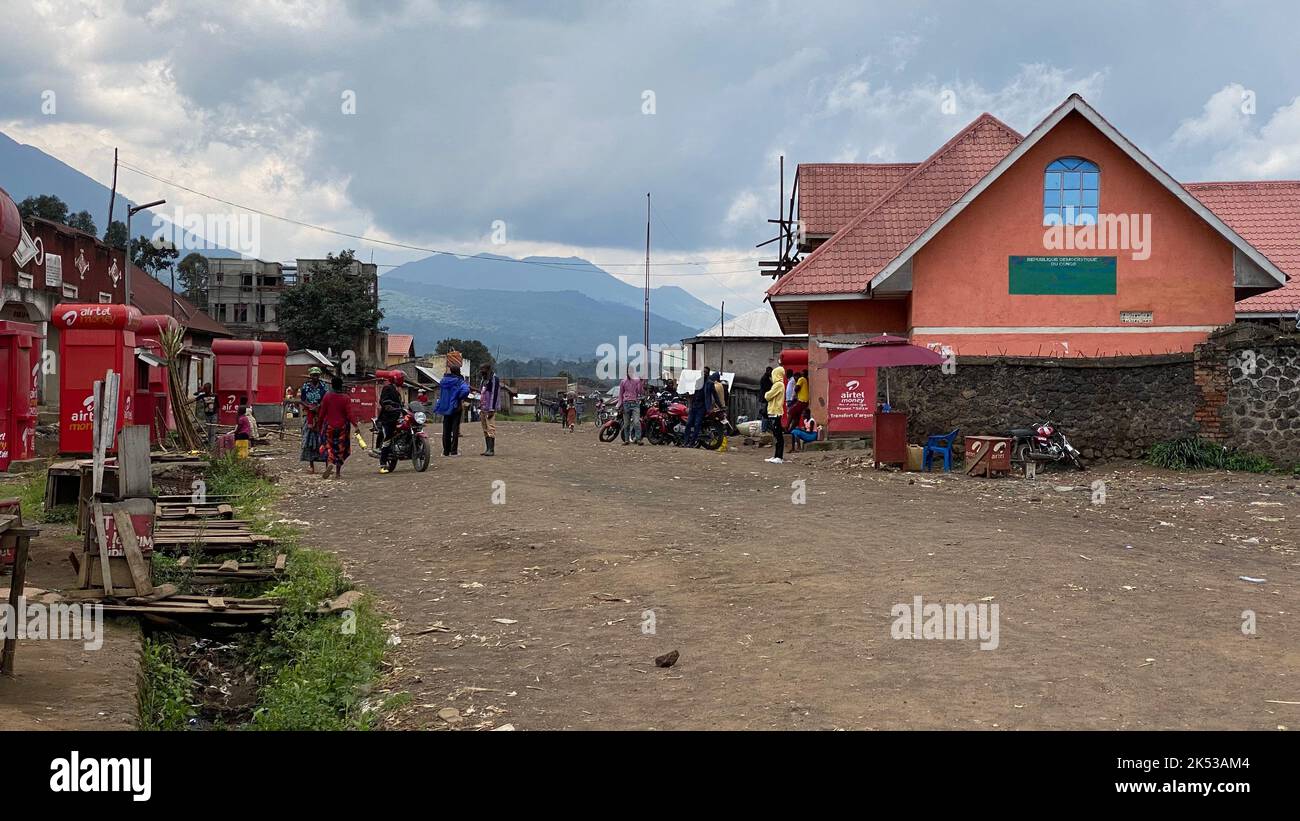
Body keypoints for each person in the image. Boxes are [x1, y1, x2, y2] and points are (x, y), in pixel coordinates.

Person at [319, 376, 354, 479]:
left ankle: (329, 463)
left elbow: (322, 413)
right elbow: (349, 414)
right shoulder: (346, 398)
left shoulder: (327, 396)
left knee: (328, 445)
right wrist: (355, 425)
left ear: (332, 385)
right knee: (340, 448)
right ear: (341, 385)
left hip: (329, 426)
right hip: (342, 427)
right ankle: (338, 473)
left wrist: (320, 425)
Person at [435, 359, 471, 456]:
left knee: (446, 429)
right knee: (455, 429)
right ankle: (453, 451)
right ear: (458, 372)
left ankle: (446, 451)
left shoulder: (443, 380)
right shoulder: (459, 381)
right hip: (456, 407)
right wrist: (458, 397)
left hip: (445, 407)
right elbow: (466, 391)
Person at [298, 367, 328, 473]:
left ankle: (327, 465)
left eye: (317, 375)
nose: (315, 377)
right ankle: (311, 465)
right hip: (309, 415)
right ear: (310, 376)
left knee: (324, 438)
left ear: (319, 376)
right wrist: (310, 406)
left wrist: (319, 407)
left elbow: (326, 400)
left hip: (321, 415)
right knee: (309, 439)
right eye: (313, 375)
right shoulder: (305, 387)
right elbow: (302, 400)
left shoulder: (324, 387)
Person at [376, 375, 403, 473]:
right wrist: (388, 405)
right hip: (387, 418)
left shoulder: (397, 389)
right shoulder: (387, 388)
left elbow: (399, 403)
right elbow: (383, 401)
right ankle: (382, 463)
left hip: (396, 416)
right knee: (387, 439)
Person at [684, 366, 711, 448]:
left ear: (708, 373)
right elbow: (694, 393)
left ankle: (692, 443)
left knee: (697, 424)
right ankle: (685, 442)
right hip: (694, 406)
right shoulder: (698, 381)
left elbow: (713, 395)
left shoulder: (709, 383)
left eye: (706, 372)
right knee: (688, 424)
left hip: (702, 407)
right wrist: (690, 404)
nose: (705, 373)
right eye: (704, 372)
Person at [764, 366, 786, 464]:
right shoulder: (778, 385)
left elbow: (768, 396)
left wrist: (766, 394)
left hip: (776, 412)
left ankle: (779, 457)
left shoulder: (778, 385)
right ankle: (776, 456)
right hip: (774, 412)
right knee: (776, 435)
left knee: (778, 436)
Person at [618, 366, 644, 445]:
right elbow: (620, 394)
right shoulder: (623, 381)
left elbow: (640, 392)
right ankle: (626, 440)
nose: (630, 373)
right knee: (626, 423)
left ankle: (638, 439)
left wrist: (641, 382)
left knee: (636, 422)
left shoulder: (637, 381)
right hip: (626, 403)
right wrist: (620, 404)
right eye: (629, 371)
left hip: (635, 403)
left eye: (631, 371)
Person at [478, 363, 500, 456]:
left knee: (491, 428)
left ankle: (491, 450)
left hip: (490, 408)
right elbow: (481, 392)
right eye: (481, 370)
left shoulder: (494, 379)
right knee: (485, 428)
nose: (481, 371)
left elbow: (494, 395)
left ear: (488, 369)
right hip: (483, 407)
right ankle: (487, 448)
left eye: (483, 370)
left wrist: (492, 408)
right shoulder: (483, 379)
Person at [194, 382, 218, 447]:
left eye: (206, 388)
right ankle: (211, 445)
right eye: (204, 388)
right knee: (209, 431)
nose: (205, 390)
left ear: (210, 389)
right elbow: (195, 397)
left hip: (214, 415)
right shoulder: (203, 396)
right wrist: (183, 404)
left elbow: (218, 406)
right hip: (207, 415)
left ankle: (212, 446)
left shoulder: (215, 395)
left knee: (212, 432)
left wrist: (218, 416)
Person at [758, 367, 773, 432]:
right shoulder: (765, 379)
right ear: (768, 371)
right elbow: (767, 388)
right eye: (771, 372)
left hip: (764, 398)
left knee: (766, 414)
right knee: (765, 414)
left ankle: (766, 429)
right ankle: (764, 430)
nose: (772, 374)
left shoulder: (766, 378)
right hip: (764, 399)